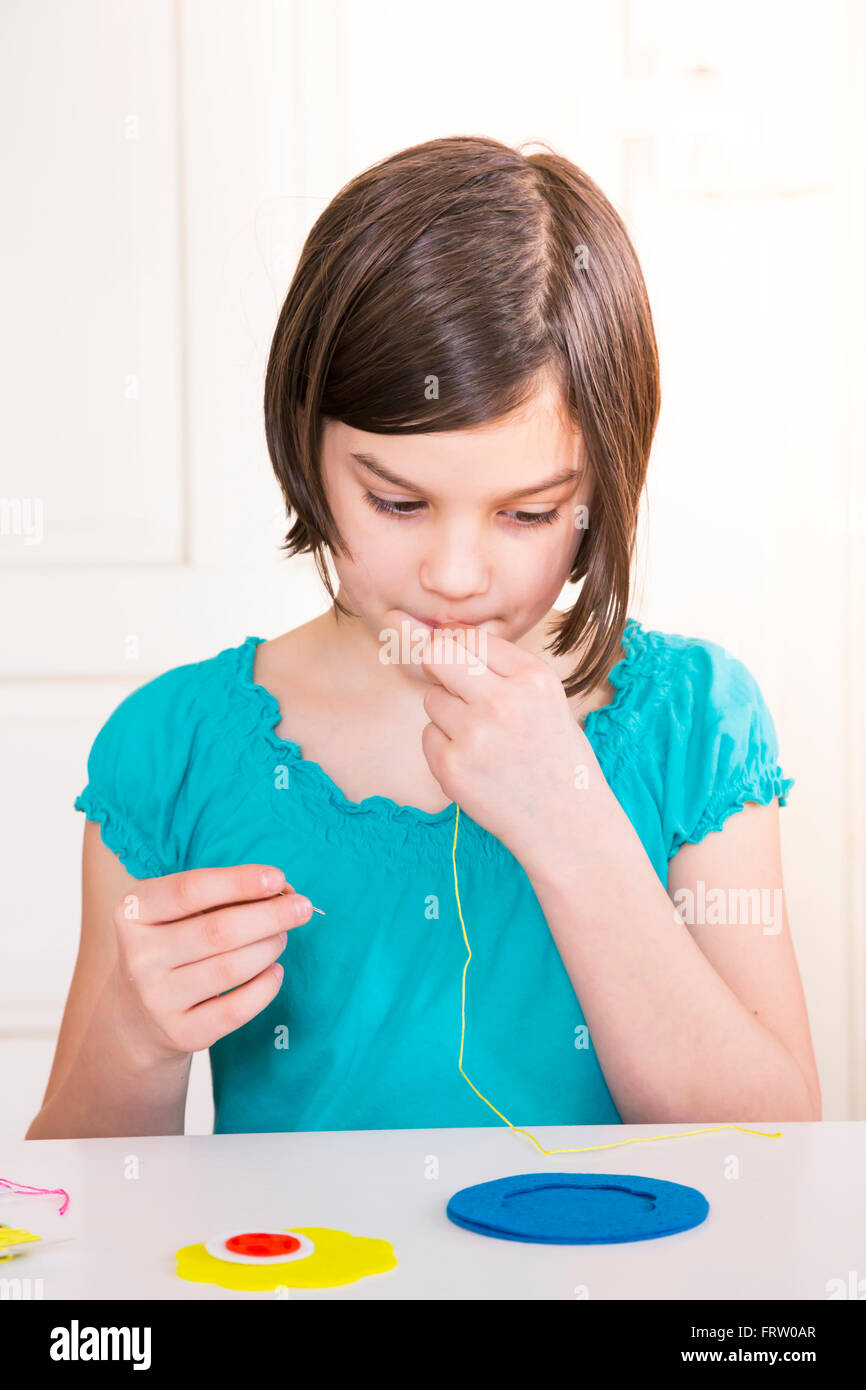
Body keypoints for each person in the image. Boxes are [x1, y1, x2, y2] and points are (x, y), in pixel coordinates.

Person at [27, 135, 820, 1140]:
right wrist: (133, 1041)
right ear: (304, 446)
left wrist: (572, 826)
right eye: (397, 501)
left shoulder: (693, 724)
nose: (453, 574)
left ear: (602, 492)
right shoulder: (173, 747)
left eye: (527, 514)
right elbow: (79, 1201)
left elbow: (775, 1146)